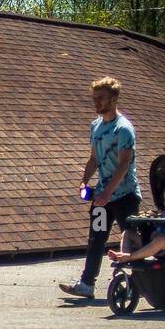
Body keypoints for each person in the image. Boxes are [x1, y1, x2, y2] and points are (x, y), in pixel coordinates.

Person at [59, 77, 142, 299]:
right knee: (96, 237)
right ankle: (87, 284)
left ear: (114, 99)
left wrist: (108, 192)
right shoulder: (95, 126)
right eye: (94, 99)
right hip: (101, 196)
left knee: (131, 238)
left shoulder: (123, 129)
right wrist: (84, 181)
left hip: (125, 195)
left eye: (101, 98)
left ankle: (139, 282)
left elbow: (124, 164)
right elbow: (94, 158)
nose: (96, 103)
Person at [107, 182, 165, 265]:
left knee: (160, 240)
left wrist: (163, 222)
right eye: (164, 199)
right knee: (127, 233)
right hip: (151, 243)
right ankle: (124, 255)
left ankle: (131, 256)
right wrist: (152, 217)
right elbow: (157, 223)